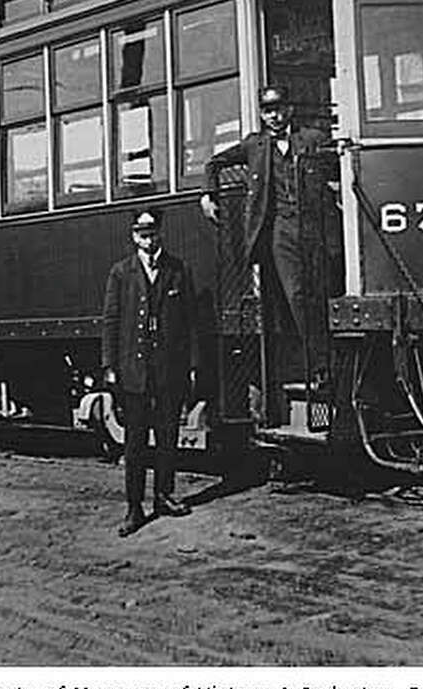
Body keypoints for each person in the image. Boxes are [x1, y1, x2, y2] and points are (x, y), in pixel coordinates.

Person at [200, 85, 335, 392]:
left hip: (315, 227)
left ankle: (324, 361)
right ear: (262, 114)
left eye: (279, 108)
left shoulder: (312, 139)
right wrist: (209, 195)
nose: (274, 115)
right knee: (297, 294)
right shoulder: (254, 145)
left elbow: (336, 166)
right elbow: (214, 163)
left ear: (290, 109)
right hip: (279, 232)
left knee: (321, 293)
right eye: (268, 110)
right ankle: (319, 368)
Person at [101, 208, 198, 537]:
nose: (148, 239)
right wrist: (110, 366)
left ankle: (164, 496)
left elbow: (189, 325)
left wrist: (192, 367)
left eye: (153, 233)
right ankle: (133, 507)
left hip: (168, 370)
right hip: (134, 371)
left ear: (160, 235)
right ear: (133, 236)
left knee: (168, 435)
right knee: (135, 442)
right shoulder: (120, 273)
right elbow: (111, 322)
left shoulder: (178, 270)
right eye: (142, 234)